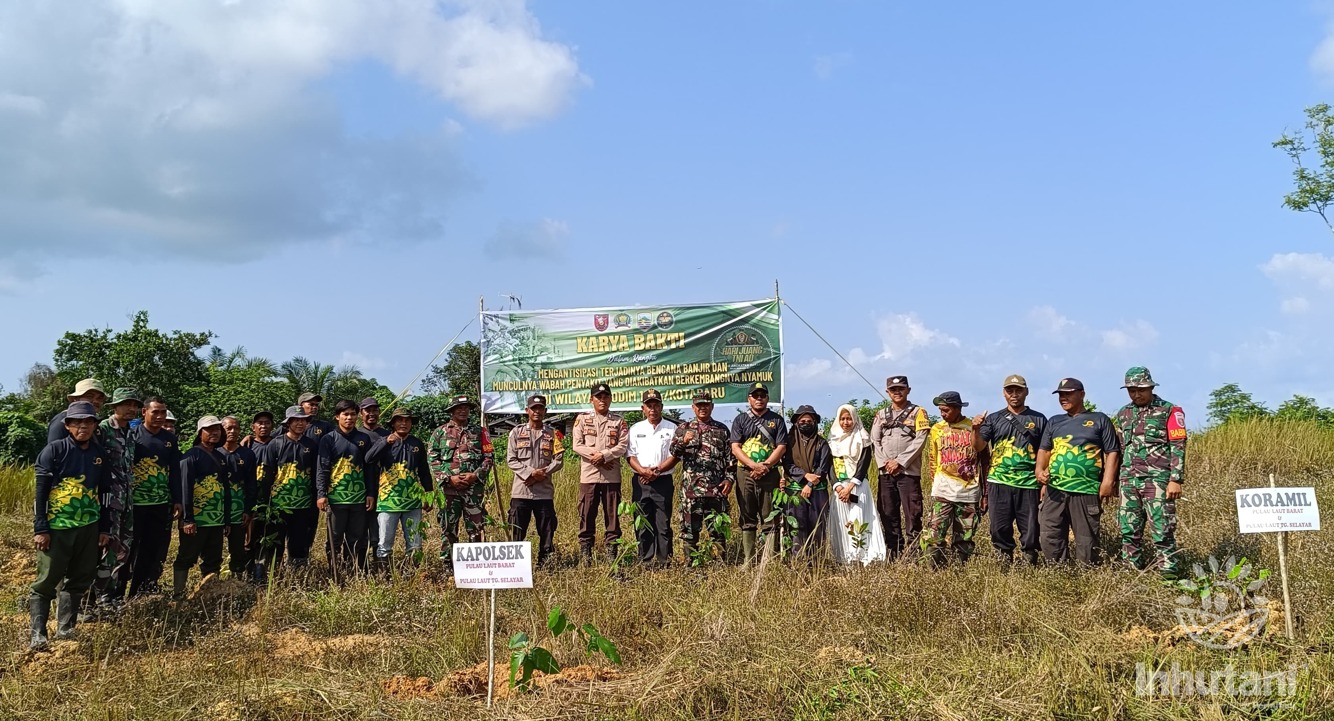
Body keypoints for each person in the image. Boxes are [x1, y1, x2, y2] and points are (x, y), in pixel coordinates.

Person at [30, 401, 110, 650]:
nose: (83, 426)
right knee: (47, 580)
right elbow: (40, 494)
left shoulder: (99, 454)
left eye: (88, 422)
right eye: (77, 422)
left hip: (88, 527)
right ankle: (38, 635)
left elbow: (105, 492)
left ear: (96, 425)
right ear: (67, 425)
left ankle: (65, 629)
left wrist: (104, 528)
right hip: (57, 528)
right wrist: (41, 528)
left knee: (79, 578)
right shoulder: (53, 451)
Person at [1112, 367, 1187, 579]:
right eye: (1131, 390)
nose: (1136, 394)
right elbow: (1120, 449)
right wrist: (1116, 481)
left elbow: (1178, 445)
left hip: (1158, 481)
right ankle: (1132, 575)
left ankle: (1169, 577)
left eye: (1141, 389)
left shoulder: (1170, 410)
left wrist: (1175, 479)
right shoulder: (1123, 414)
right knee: (1128, 531)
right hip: (1128, 480)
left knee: (1162, 531)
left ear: (1151, 387)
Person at [1037, 378, 1121, 565]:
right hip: (1055, 491)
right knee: (1050, 535)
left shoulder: (1099, 419)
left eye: (1068, 393)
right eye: (1060, 394)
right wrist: (1039, 471)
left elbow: (1112, 452)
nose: (1063, 398)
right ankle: (1057, 573)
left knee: (1086, 541)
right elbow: (1045, 450)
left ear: (1082, 394)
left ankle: (1087, 576)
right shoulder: (1054, 421)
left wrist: (1108, 482)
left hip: (1086, 490)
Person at [972, 374, 1046, 565]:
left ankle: (1029, 559)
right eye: (1010, 391)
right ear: (1004, 393)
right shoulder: (994, 419)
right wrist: (975, 429)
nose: (1014, 395)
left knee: (1030, 527)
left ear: (1026, 392)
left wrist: (1042, 481)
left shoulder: (1039, 419)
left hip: (1028, 482)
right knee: (998, 526)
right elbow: (979, 447)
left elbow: (1045, 451)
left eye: (1018, 390)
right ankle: (1003, 558)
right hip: (999, 481)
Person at [86, 387, 140, 617]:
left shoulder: (132, 432)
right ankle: (91, 599)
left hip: (127, 500)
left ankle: (110, 597)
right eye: (126, 404)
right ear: (115, 406)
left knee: (123, 549)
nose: (130, 409)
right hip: (107, 500)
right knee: (104, 548)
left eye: (134, 405)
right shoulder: (103, 429)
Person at [428, 395, 495, 569]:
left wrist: (475, 475)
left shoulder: (481, 432)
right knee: (449, 528)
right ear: (451, 411)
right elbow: (432, 459)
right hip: (449, 491)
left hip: (473, 491)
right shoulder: (439, 432)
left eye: (466, 408)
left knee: (476, 528)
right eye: (459, 408)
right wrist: (448, 478)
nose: (463, 410)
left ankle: (476, 567)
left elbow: (489, 456)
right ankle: (449, 567)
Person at [174, 416, 236, 597]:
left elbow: (225, 490)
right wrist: (187, 519)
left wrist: (226, 519)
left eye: (217, 429)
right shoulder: (190, 457)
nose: (215, 433)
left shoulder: (220, 457)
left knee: (214, 559)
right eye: (209, 429)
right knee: (186, 557)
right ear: (200, 433)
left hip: (216, 520)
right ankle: (178, 595)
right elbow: (185, 489)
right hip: (196, 521)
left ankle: (209, 593)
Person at [870, 375, 931, 559]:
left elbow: (920, 439)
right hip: (886, 472)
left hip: (908, 472)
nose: (897, 392)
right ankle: (894, 552)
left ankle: (913, 554)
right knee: (888, 512)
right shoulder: (881, 414)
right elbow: (875, 439)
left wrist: (900, 462)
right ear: (888, 392)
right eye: (893, 389)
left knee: (913, 513)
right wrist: (885, 463)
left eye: (901, 389)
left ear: (908, 390)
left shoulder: (919, 412)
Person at [254, 407, 319, 580]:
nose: (300, 423)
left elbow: (314, 475)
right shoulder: (275, 444)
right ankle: (273, 575)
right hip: (278, 506)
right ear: (288, 423)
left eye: (303, 420)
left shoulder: (311, 445)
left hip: (303, 505)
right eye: (296, 420)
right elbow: (267, 476)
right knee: (275, 543)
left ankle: (297, 578)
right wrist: (266, 502)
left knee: (298, 544)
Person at [920, 392, 983, 568]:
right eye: (940, 410)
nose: (942, 414)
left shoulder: (973, 427)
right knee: (934, 532)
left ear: (957, 408)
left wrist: (984, 493)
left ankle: (959, 569)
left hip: (968, 492)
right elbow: (933, 459)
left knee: (964, 535)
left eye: (946, 410)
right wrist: (935, 482)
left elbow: (984, 460)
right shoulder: (936, 429)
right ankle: (932, 568)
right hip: (943, 491)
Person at [365, 408, 433, 568]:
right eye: (400, 420)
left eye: (407, 420)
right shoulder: (384, 441)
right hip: (388, 502)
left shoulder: (416, 443)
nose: (404, 423)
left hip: (412, 502)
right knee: (384, 543)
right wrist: (384, 442)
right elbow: (369, 459)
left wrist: (428, 494)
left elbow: (424, 471)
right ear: (393, 423)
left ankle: (414, 574)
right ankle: (384, 574)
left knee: (415, 543)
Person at [729, 381, 788, 564]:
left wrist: (766, 466)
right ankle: (749, 560)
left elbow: (782, 446)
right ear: (749, 399)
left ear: (767, 398)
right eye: (756, 396)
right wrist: (753, 465)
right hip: (745, 473)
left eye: (762, 395)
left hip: (769, 474)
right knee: (747, 515)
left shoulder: (777, 420)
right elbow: (735, 447)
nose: (759, 399)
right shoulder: (740, 420)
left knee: (770, 516)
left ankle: (769, 560)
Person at [670, 392, 733, 563]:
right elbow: (673, 452)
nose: (702, 408)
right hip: (691, 491)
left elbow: (730, 459)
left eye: (706, 405)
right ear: (693, 407)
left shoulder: (721, 430)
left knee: (718, 529)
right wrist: (683, 441)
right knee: (689, 531)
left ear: (712, 407)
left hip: (716, 489)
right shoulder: (684, 428)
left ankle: (720, 564)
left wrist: (729, 479)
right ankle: (692, 567)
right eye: (699, 405)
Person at [128, 397, 181, 597]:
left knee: (151, 551)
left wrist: (177, 499)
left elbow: (174, 472)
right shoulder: (133, 436)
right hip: (135, 504)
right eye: (155, 412)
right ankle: (115, 594)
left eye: (163, 413)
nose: (160, 417)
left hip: (159, 504)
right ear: (144, 412)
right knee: (129, 550)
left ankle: (139, 593)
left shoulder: (169, 440)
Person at [316, 399, 377, 576]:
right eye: (345, 414)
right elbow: (323, 468)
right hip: (336, 499)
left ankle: (355, 571)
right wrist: (321, 494)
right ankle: (334, 572)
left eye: (352, 414)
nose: (349, 418)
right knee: (334, 539)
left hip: (359, 499)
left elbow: (369, 468)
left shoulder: (363, 439)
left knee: (357, 538)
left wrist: (371, 493)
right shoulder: (328, 440)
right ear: (337, 417)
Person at [571, 383, 630, 563]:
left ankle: (612, 554)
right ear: (592, 400)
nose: (602, 400)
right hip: (589, 476)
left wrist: (604, 456)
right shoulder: (582, 419)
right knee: (587, 514)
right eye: (598, 397)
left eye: (606, 396)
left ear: (611, 399)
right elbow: (577, 445)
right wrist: (597, 457)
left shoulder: (619, 421)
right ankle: (586, 554)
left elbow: (623, 445)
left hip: (611, 478)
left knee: (612, 517)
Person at [506, 395, 565, 567]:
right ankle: (516, 567)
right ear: (527, 411)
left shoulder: (554, 434)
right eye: (534, 408)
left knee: (547, 531)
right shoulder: (516, 432)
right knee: (517, 530)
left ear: (545, 411)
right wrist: (531, 474)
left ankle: (546, 564)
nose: (537, 411)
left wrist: (543, 473)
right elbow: (511, 459)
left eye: (540, 408)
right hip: (521, 491)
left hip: (544, 492)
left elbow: (559, 460)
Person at [826, 404, 885, 565]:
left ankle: (862, 557)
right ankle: (845, 559)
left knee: (859, 520)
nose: (846, 422)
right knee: (842, 521)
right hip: (839, 489)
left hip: (857, 487)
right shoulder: (832, 440)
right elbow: (829, 466)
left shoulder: (863, 437)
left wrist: (850, 487)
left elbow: (863, 464)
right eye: (842, 419)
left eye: (849, 418)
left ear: (854, 419)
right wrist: (838, 487)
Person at [626, 389, 678, 566]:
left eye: (656, 405)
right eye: (649, 406)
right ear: (643, 408)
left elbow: (675, 455)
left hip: (663, 481)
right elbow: (630, 456)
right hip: (641, 482)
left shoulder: (672, 428)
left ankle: (664, 561)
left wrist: (657, 471)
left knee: (663, 524)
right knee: (642, 522)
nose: (653, 409)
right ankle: (645, 561)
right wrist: (642, 471)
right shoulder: (635, 429)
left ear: (662, 407)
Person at [783, 405, 832, 560]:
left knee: (818, 528)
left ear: (815, 422)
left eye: (809, 420)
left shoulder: (822, 443)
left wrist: (810, 484)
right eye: (802, 420)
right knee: (797, 528)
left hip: (818, 492)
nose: (805, 423)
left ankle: (817, 562)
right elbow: (788, 465)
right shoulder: (789, 443)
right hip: (795, 491)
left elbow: (823, 467)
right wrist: (804, 475)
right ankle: (797, 561)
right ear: (797, 422)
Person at [220, 416, 257, 580]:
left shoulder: (247, 454)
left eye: (236, 428)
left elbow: (251, 484)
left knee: (238, 548)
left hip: (238, 510)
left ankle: (237, 580)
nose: (233, 431)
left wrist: (248, 510)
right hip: (216, 510)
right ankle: (211, 580)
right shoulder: (213, 452)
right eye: (229, 428)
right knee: (212, 548)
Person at [243, 411, 274, 579]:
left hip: (271, 500)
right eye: (260, 423)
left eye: (267, 423)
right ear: (253, 427)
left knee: (267, 538)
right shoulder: (246, 446)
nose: (263, 426)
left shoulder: (276, 444)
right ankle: (245, 573)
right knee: (248, 539)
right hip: (251, 501)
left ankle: (262, 574)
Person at [358, 397, 388, 555]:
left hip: (382, 489)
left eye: (375, 410)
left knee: (379, 531)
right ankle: (361, 567)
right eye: (368, 410)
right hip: (360, 489)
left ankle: (380, 565)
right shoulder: (356, 435)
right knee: (360, 531)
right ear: (360, 413)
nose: (372, 414)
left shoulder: (387, 435)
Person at [47, 378, 108, 442]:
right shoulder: (62, 421)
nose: (96, 401)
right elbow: (55, 450)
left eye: (99, 398)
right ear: (75, 399)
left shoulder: (95, 422)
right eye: (89, 396)